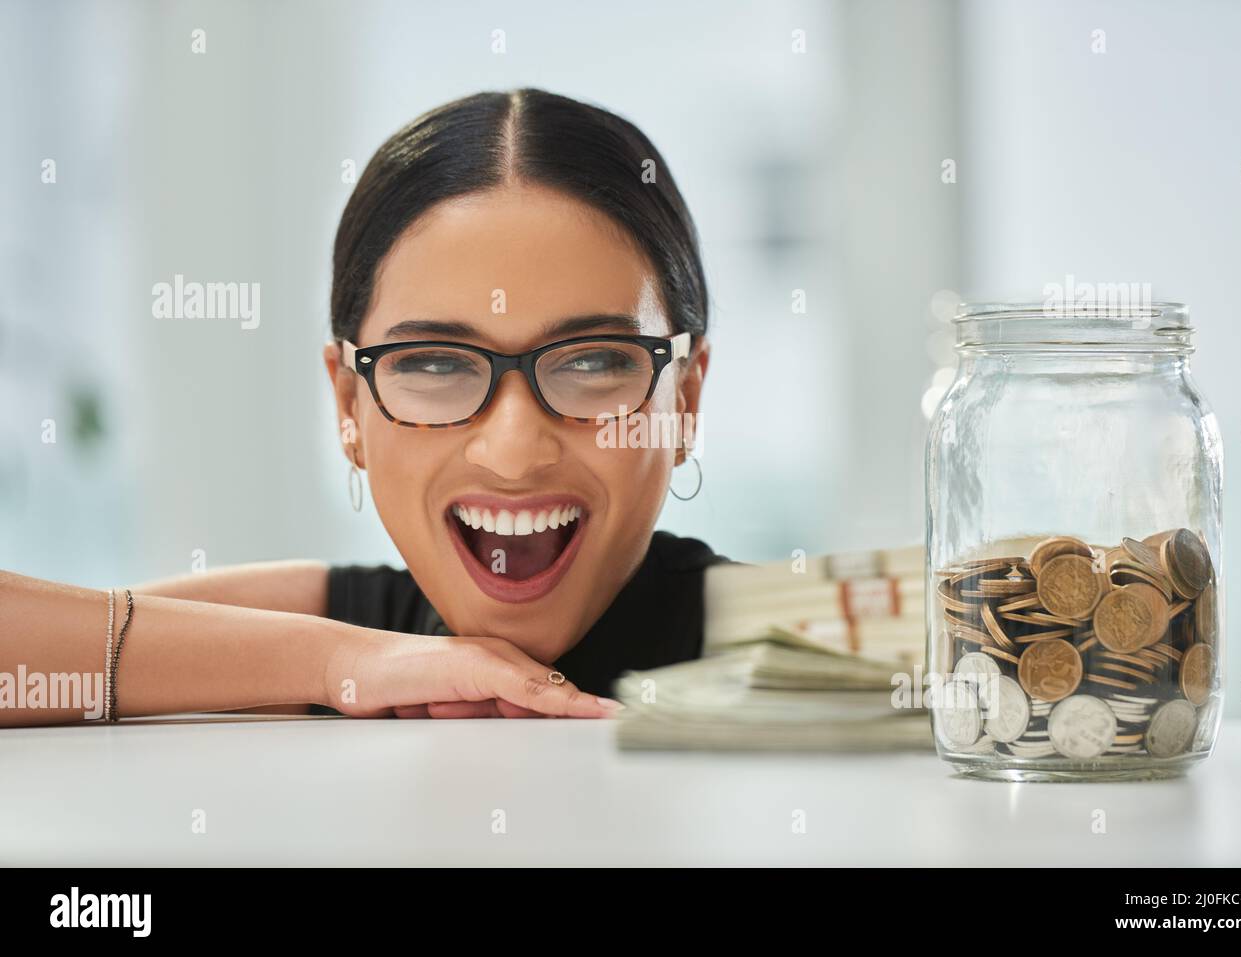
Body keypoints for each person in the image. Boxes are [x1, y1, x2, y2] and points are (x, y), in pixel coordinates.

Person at [0, 88, 730, 728]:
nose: (512, 449)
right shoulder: (355, 630)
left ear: (685, 400)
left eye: (593, 362)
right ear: (349, 404)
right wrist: (335, 663)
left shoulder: (786, 631)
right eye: (435, 363)